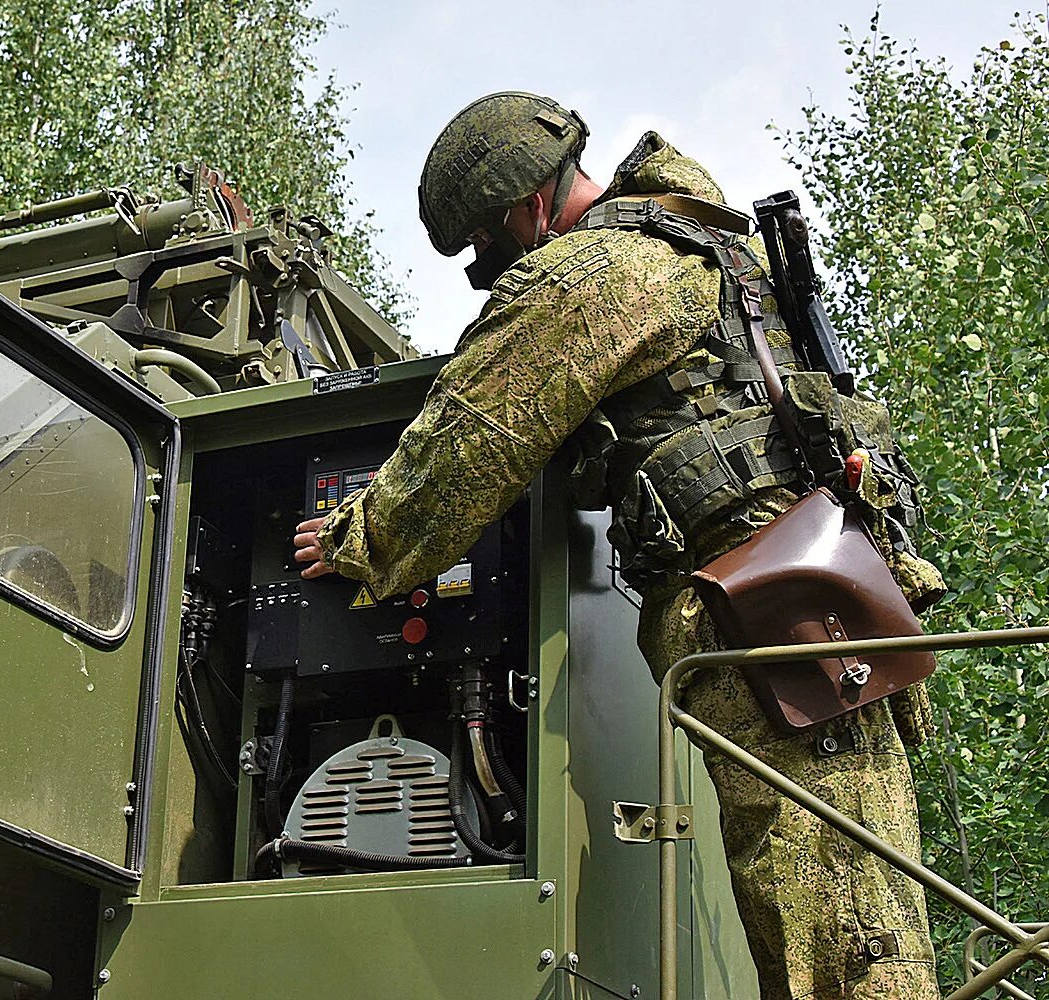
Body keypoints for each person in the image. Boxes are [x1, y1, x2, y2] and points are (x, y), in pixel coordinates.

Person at [292, 91, 944, 999]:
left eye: (486, 253)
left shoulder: (593, 274)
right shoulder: (711, 247)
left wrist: (361, 538)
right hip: (828, 591)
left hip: (761, 608)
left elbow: (474, 436)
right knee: (861, 891)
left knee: (830, 911)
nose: (493, 274)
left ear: (524, 206)